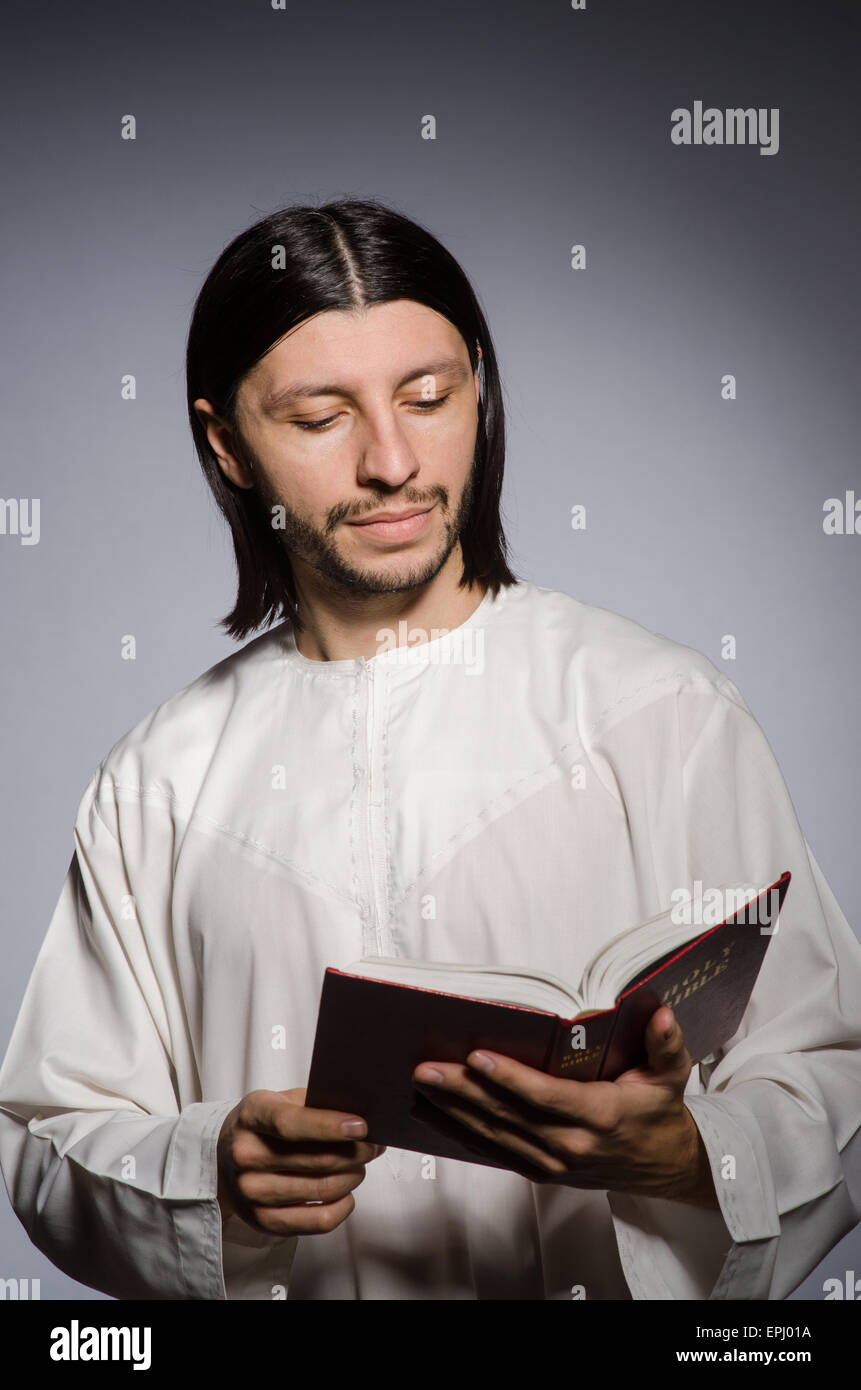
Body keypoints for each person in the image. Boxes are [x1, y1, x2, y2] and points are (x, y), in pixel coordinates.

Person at [1, 198, 859, 1301]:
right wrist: (206, 1170)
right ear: (229, 444)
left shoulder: (662, 712)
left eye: (428, 397)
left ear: (480, 392)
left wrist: (690, 1156)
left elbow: (830, 1070)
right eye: (320, 416)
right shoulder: (157, 782)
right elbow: (50, 1133)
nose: (393, 461)